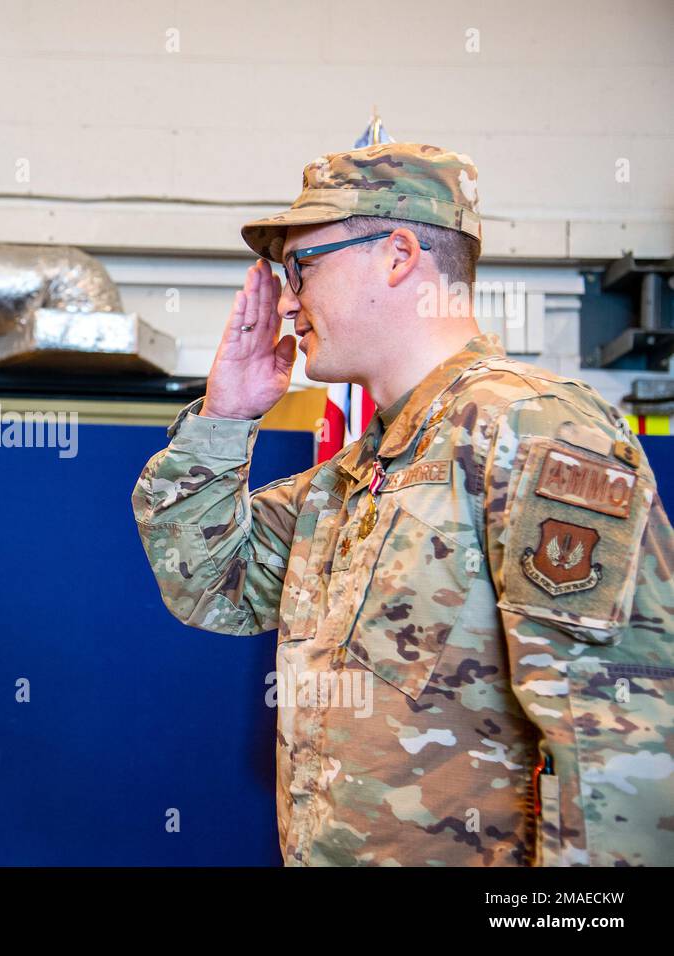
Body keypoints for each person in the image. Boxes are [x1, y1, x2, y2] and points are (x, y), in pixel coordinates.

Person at [132, 143, 674, 866]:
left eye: (303, 267)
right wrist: (227, 415)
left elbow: (617, 740)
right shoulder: (354, 476)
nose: (287, 300)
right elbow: (208, 583)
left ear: (397, 255)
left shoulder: (528, 427)